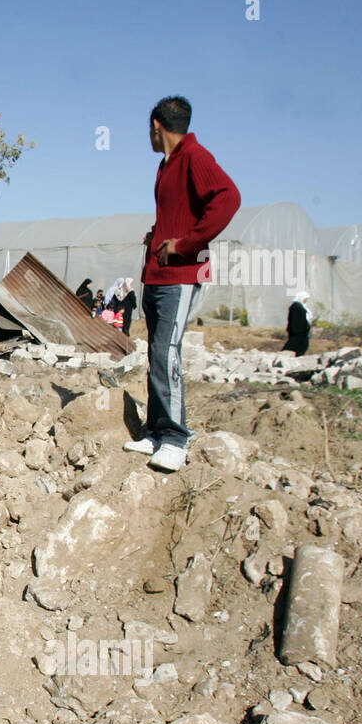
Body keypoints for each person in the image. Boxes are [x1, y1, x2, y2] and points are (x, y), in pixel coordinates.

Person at [125, 96, 240, 472]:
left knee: (167, 352)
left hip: (180, 276)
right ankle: (157, 431)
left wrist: (186, 244)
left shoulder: (194, 156)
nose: (149, 136)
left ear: (157, 125)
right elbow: (179, 214)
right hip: (157, 274)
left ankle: (176, 437)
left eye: (149, 130)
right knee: (155, 353)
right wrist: (158, 236)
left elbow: (228, 199)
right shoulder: (167, 165)